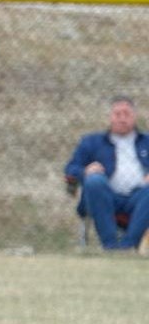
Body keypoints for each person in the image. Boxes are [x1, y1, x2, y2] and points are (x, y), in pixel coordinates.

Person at [64, 96, 149, 253]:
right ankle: (110, 246)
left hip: (140, 198)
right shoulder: (91, 142)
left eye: (127, 114)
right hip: (105, 197)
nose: (122, 119)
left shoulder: (147, 142)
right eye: (117, 114)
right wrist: (85, 171)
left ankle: (127, 247)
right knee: (95, 181)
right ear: (110, 117)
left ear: (134, 117)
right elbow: (71, 169)